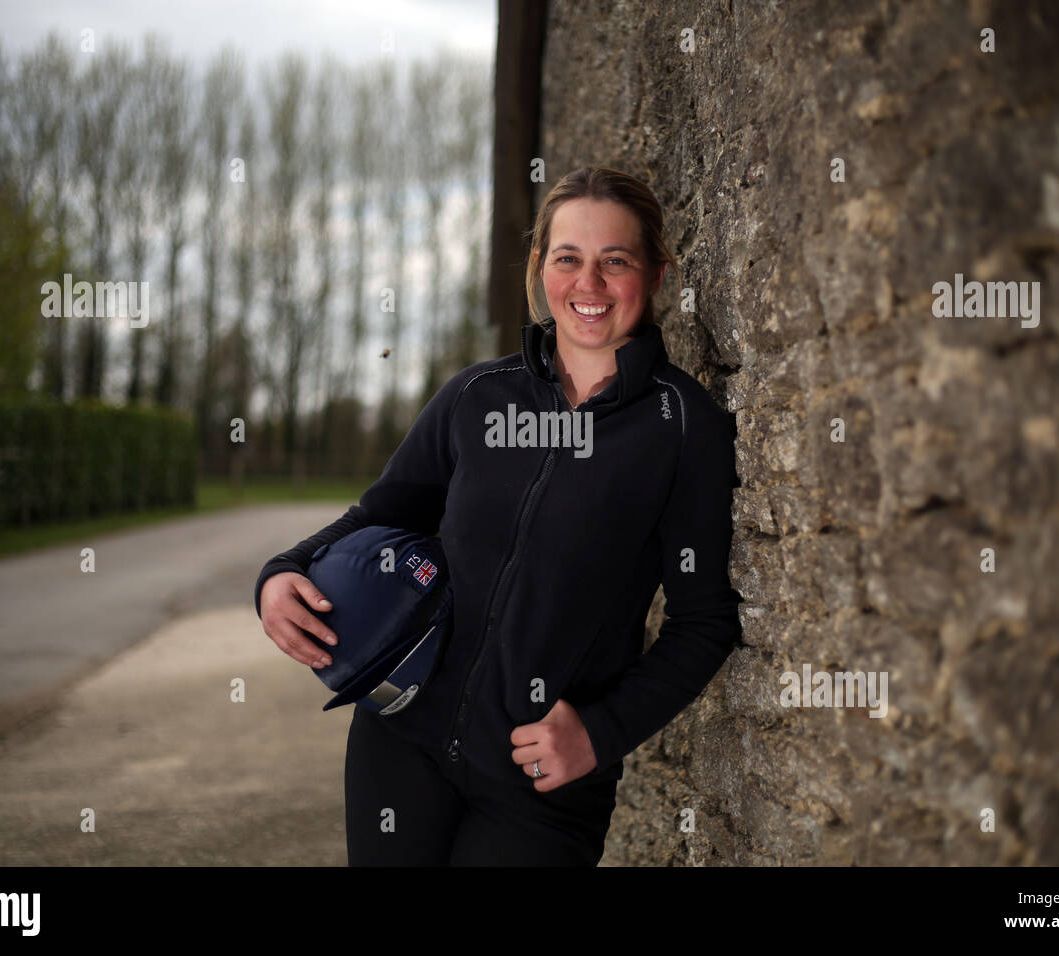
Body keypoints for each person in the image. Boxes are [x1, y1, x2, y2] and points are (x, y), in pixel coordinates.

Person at [253, 165, 742, 866]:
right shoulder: (477, 397)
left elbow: (705, 620)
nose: (589, 285)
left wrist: (599, 733)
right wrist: (283, 572)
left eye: (616, 262)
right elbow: (380, 514)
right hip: (401, 742)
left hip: (539, 785)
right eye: (568, 259)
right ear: (541, 266)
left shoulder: (684, 427)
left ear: (657, 274)